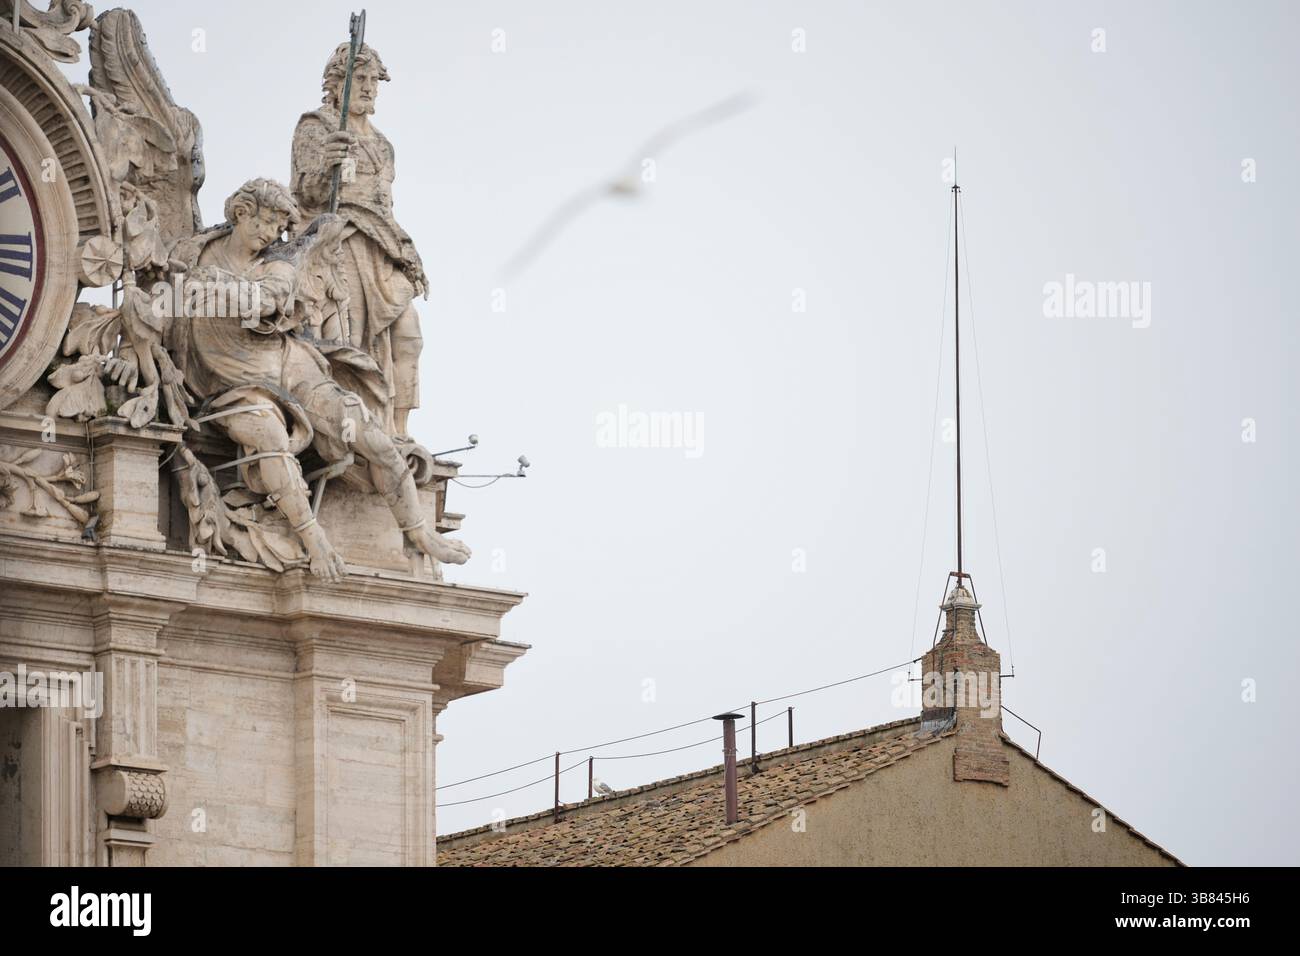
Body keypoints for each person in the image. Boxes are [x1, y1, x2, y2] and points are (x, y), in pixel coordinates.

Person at [172, 178, 467, 582]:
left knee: (371, 434)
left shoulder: (274, 265)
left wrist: (218, 289)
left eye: (278, 229)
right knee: (269, 437)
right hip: (233, 385)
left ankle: (418, 533)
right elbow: (159, 303)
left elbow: (270, 299)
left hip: (292, 367)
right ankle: (315, 543)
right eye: (266, 224)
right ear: (241, 213)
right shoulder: (192, 255)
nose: (271, 236)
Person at [290, 42, 426, 438]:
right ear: (335, 84)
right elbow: (305, 195)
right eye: (359, 78)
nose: (368, 87)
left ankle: (398, 429)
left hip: (382, 249)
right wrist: (326, 168)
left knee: (409, 335)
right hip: (341, 244)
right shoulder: (316, 126)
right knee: (352, 342)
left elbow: (386, 206)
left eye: (373, 80)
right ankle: (356, 423)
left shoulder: (383, 146)